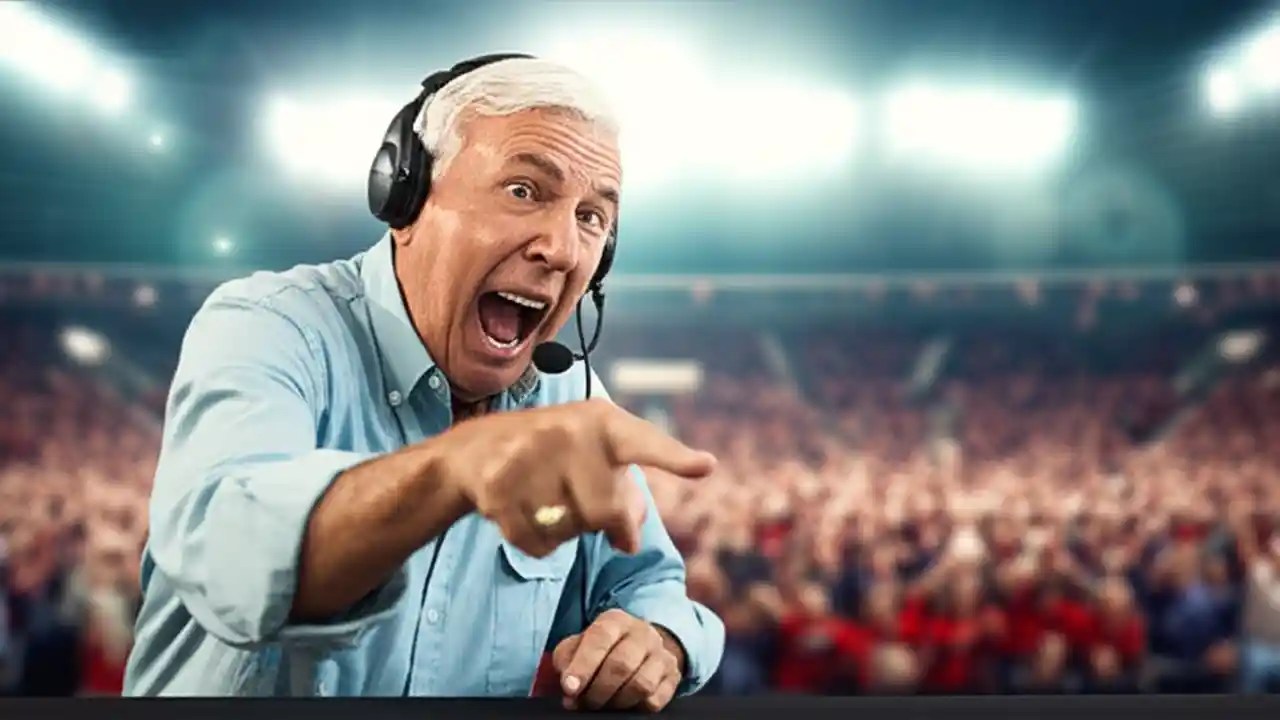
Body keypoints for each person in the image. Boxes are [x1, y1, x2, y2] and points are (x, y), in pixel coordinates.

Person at [123, 54, 725, 709]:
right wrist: (454, 468)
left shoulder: (566, 396)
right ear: (405, 198)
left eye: (592, 217)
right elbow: (237, 553)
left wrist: (655, 639)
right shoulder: (268, 327)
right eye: (525, 191)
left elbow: (649, 583)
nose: (562, 249)